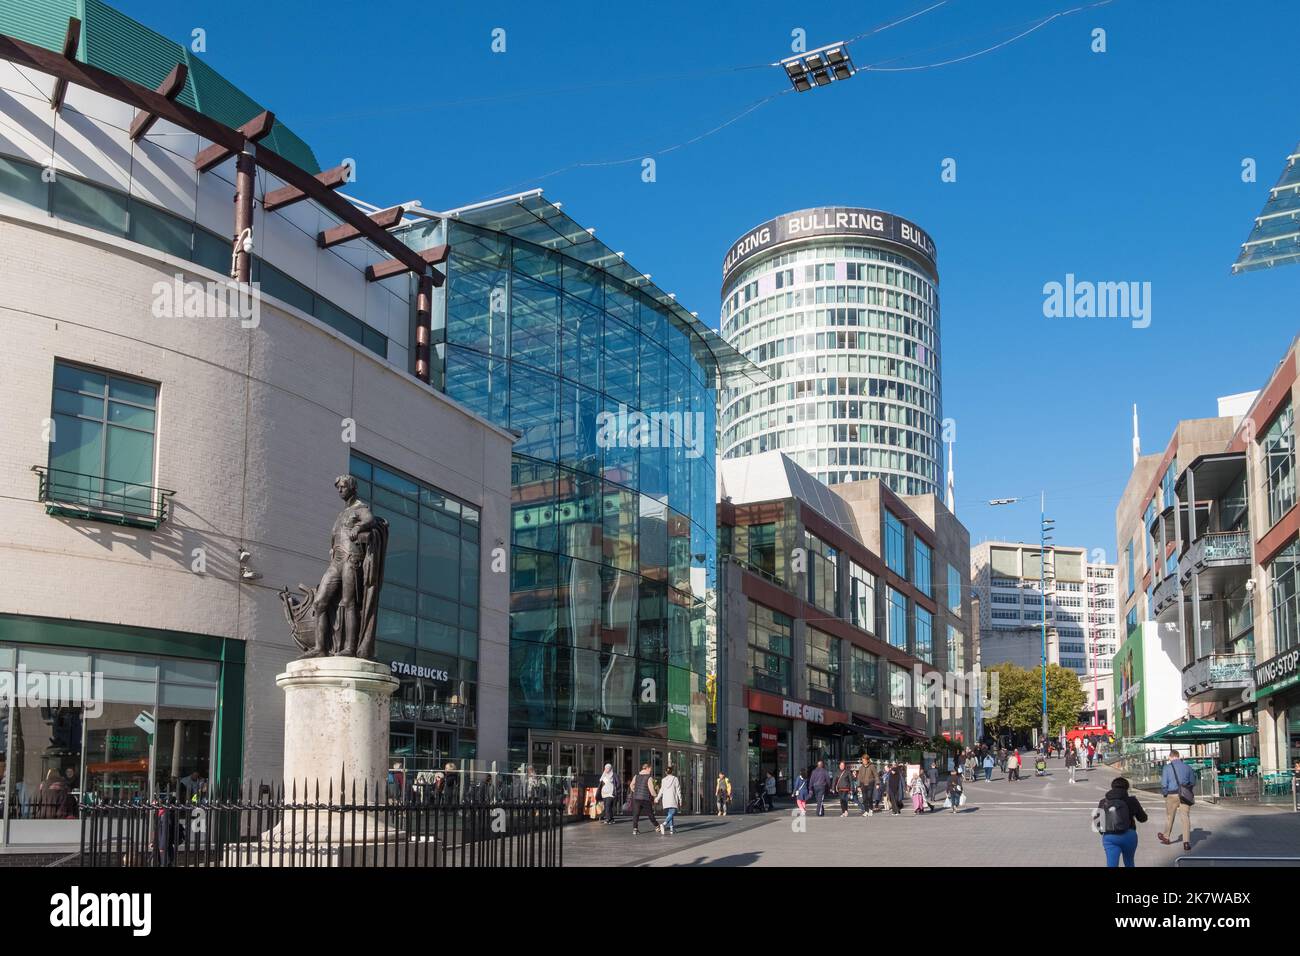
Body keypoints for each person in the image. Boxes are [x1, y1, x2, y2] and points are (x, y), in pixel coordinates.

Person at [1098, 776, 1148, 867]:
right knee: (1129, 862)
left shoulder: (1103, 802)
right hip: (1129, 835)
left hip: (1110, 837)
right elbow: (1143, 818)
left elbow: (1100, 822)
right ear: (1127, 788)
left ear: (1112, 787)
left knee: (1111, 865)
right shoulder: (1132, 800)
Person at [1157, 750, 1195, 852]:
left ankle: (1166, 837)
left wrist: (1165, 794)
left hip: (1171, 795)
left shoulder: (1167, 768)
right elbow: (1193, 782)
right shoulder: (1188, 767)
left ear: (1171, 757)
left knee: (1170, 816)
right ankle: (1186, 843)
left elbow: (1164, 784)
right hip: (1185, 796)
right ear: (1178, 757)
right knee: (1185, 818)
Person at [629, 762, 661, 835]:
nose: (650, 770)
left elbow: (631, 785)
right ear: (647, 768)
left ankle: (635, 829)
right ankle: (657, 826)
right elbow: (651, 789)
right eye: (650, 769)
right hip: (645, 798)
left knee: (636, 814)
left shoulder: (636, 776)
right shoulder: (649, 777)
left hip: (636, 798)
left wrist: (635, 791)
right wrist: (655, 796)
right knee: (650, 814)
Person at [657, 765, 681, 834]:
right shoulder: (675, 779)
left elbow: (661, 790)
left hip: (665, 799)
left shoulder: (663, 780)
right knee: (672, 813)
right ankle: (663, 824)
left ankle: (671, 829)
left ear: (665, 772)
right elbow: (678, 790)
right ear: (672, 772)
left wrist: (657, 798)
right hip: (673, 798)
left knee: (670, 814)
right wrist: (680, 799)